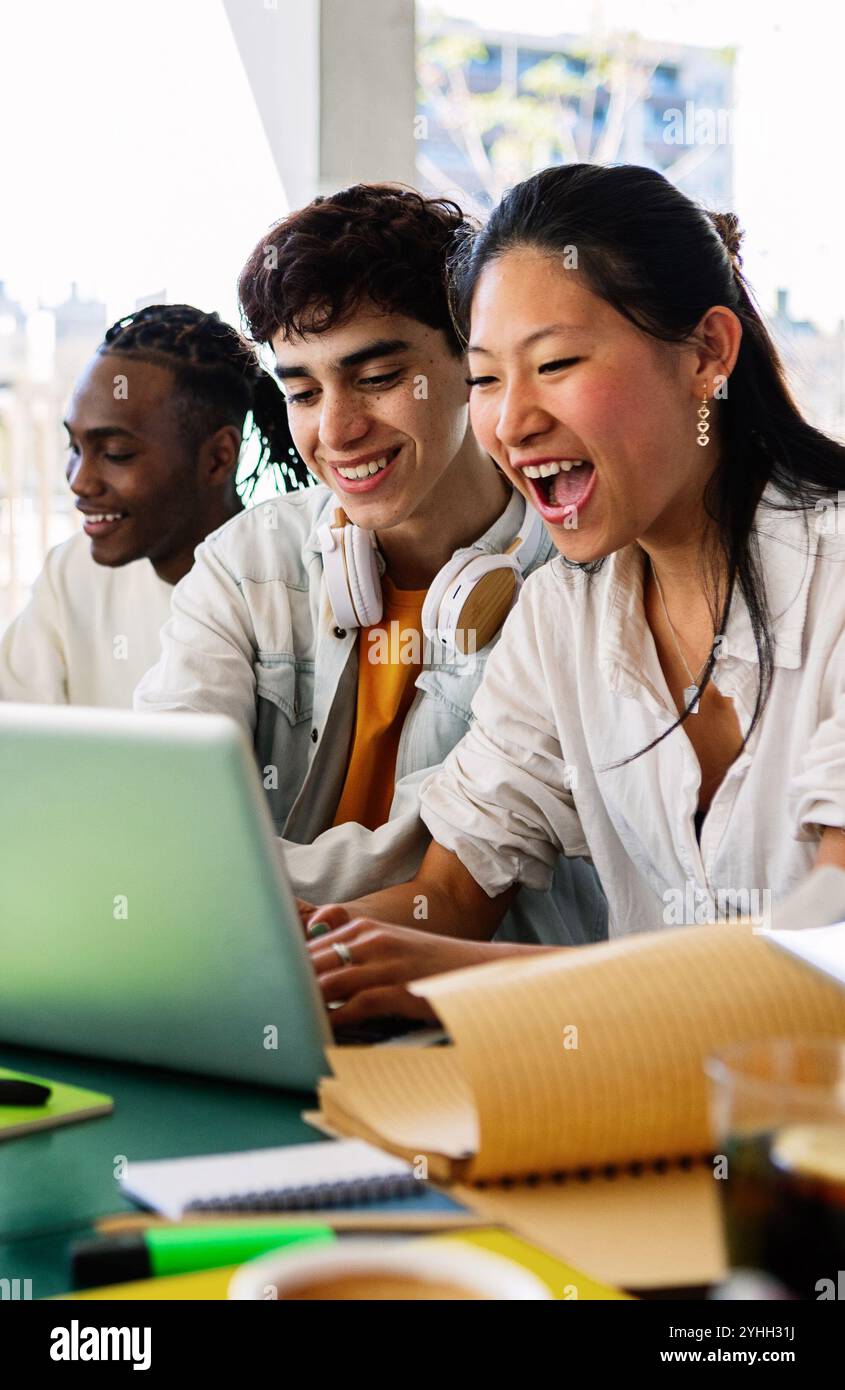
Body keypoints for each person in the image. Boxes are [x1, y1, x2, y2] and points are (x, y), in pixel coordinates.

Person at [302, 162, 845, 1027]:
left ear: (707, 353)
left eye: (553, 363)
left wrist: (465, 981)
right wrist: (306, 950)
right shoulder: (562, 613)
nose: (510, 423)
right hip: (656, 1118)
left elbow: (826, 944)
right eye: (484, 379)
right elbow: (449, 891)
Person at [134, 184, 607, 946]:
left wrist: (217, 892)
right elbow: (161, 810)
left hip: (489, 1022)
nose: (337, 429)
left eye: (379, 378)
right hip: (260, 986)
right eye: (302, 390)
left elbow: (447, 878)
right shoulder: (247, 562)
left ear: (471, 363)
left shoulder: (583, 584)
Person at [0, 304, 303, 707]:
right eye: (75, 447)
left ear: (217, 457)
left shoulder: (294, 591)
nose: (79, 480)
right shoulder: (70, 575)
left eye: (116, 453)